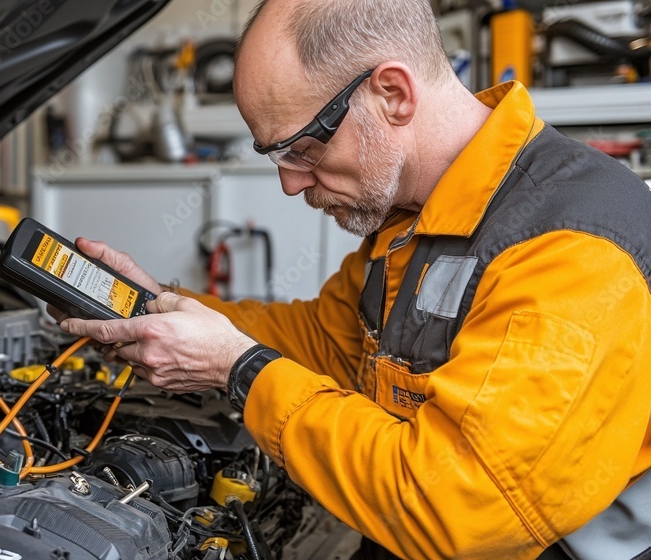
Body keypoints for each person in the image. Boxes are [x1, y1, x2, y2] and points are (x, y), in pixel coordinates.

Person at [52, 0, 651, 557]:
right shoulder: (414, 218)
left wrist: (237, 368)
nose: (290, 183)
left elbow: (454, 508)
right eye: (275, 155)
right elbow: (324, 343)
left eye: (302, 149)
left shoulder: (571, 251)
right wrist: (163, 306)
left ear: (391, 93)